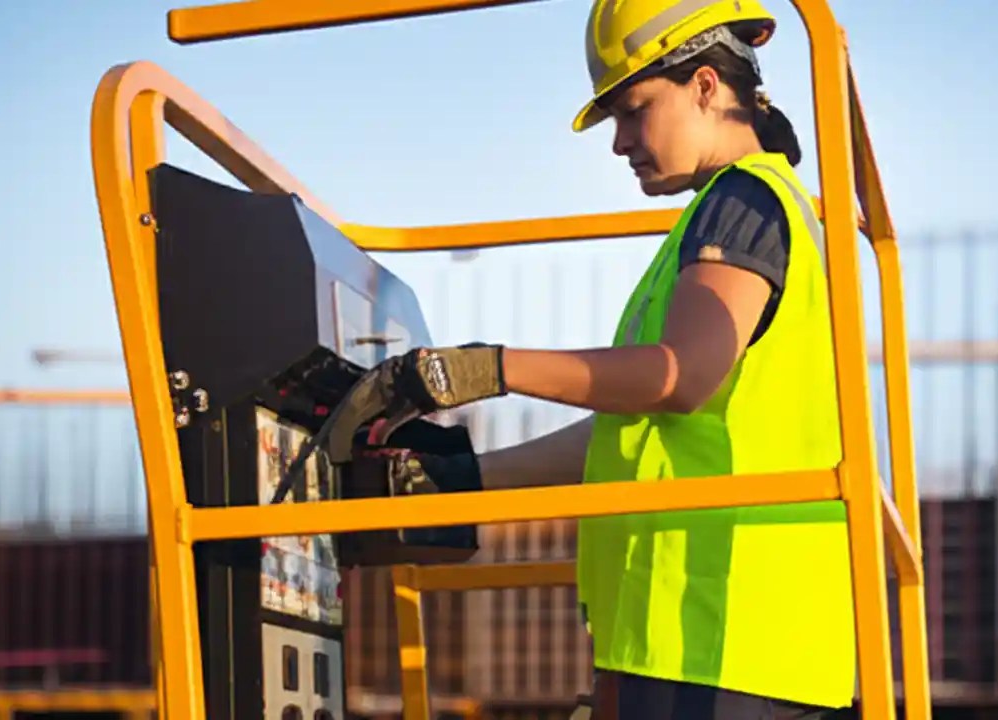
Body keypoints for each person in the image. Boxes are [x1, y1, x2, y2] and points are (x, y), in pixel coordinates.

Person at [356, 0, 857, 717]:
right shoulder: (732, 217)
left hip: (721, 641)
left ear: (707, 86)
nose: (620, 142)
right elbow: (634, 430)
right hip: (706, 643)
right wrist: (468, 480)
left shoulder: (743, 204)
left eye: (632, 110)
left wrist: (484, 369)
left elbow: (677, 379)